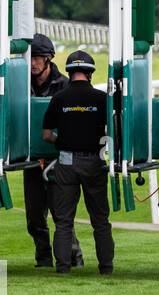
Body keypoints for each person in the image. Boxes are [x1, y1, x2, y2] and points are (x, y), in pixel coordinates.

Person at [41, 50, 114, 275]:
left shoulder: (59, 98)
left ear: (69, 72)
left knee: (63, 221)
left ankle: (63, 268)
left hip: (66, 162)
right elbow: (111, 132)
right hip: (95, 162)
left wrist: (60, 140)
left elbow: (46, 134)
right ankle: (106, 267)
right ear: (90, 74)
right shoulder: (102, 99)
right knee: (100, 220)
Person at [24, 33, 84, 267]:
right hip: (31, 160)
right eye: (29, 58)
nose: (32, 63)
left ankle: (73, 255)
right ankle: (43, 257)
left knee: (61, 213)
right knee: (34, 216)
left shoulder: (66, 86)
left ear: (48, 58)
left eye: (37, 58)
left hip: (60, 158)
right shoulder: (20, 85)